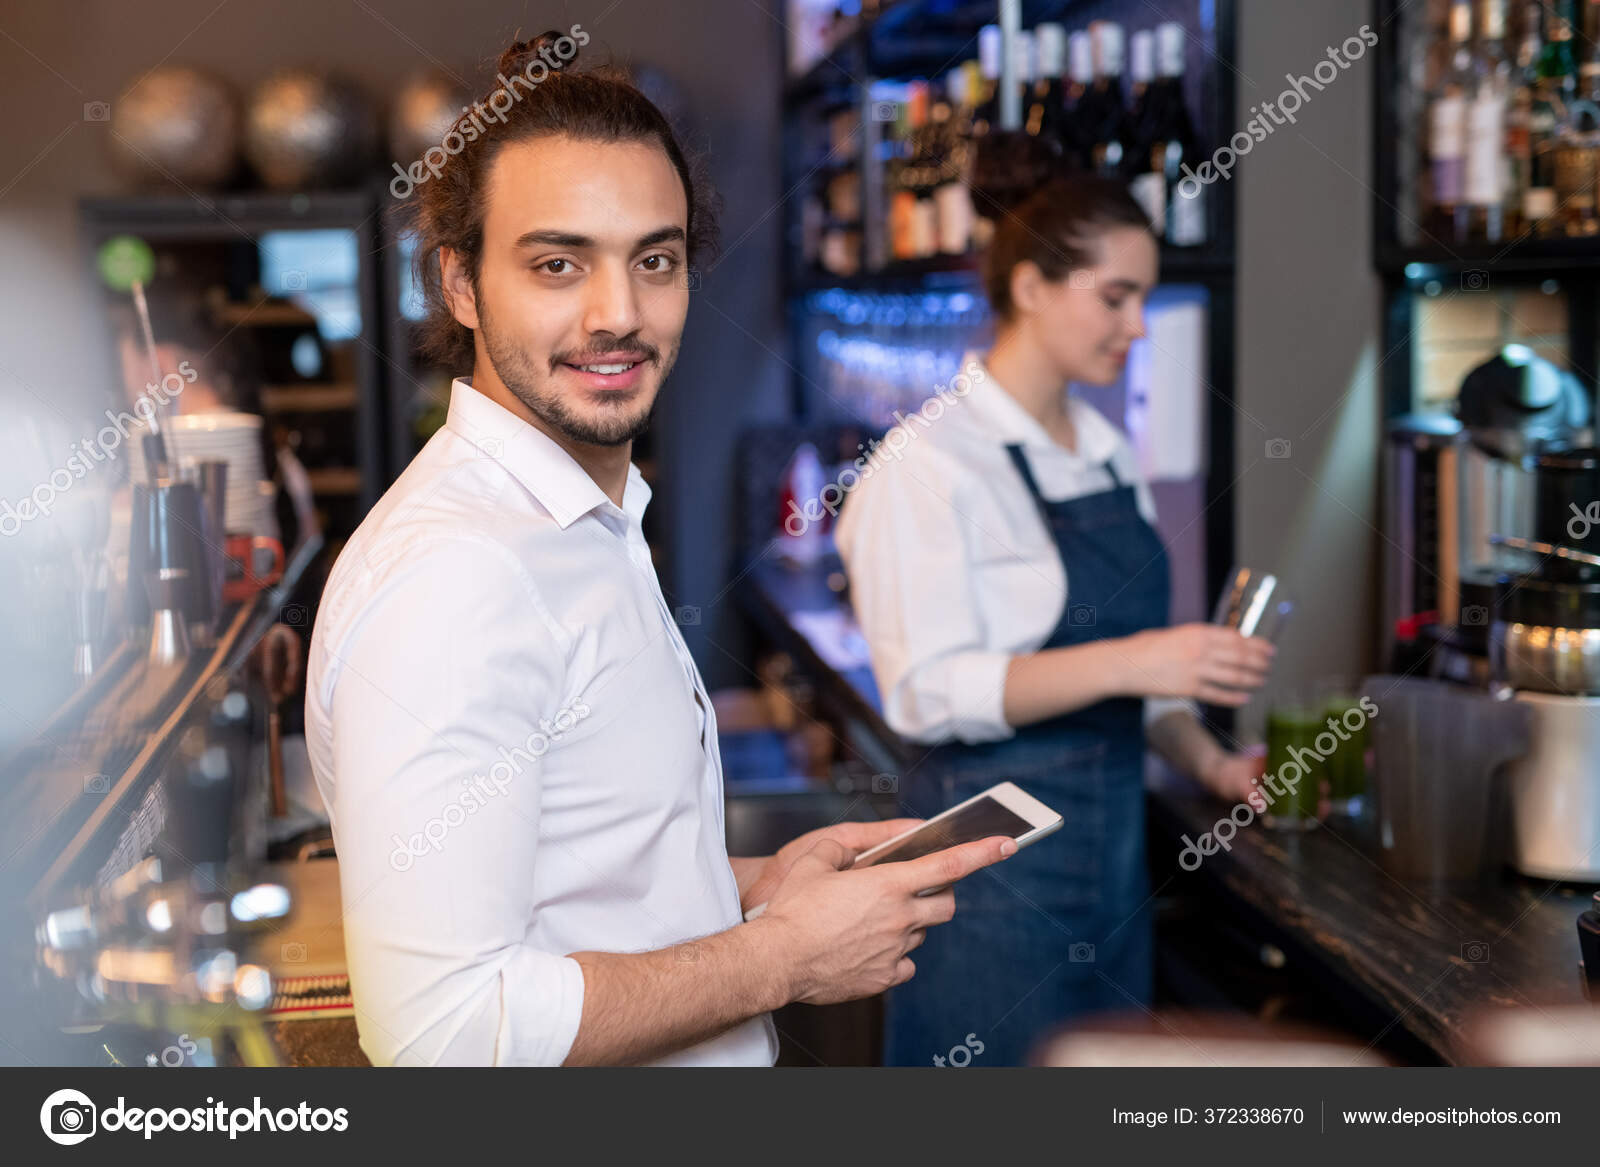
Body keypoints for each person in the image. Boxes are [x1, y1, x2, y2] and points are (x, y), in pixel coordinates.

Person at [304, 33, 1014, 1068]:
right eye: (558, 263)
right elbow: (446, 1032)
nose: (618, 315)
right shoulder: (458, 576)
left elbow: (575, 878)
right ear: (458, 285)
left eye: (655, 260)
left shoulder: (581, 525)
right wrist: (783, 957)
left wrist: (749, 887)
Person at [834, 176, 1273, 1067]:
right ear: (1031, 286)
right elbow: (925, 694)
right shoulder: (926, 461)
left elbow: (1138, 694)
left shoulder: (1108, 451)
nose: (1138, 324)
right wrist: (1142, 657)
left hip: (1114, 875)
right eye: (1116, 295)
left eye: (1145, 298)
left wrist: (1212, 760)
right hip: (987, 883)